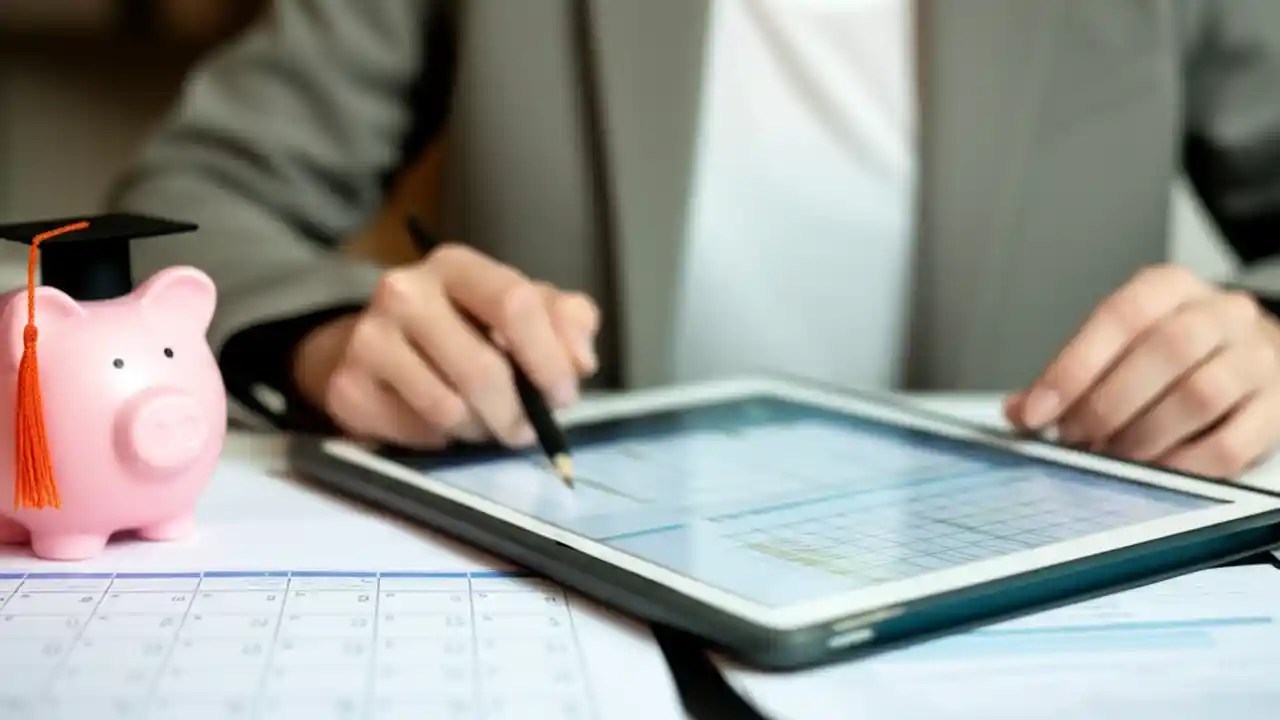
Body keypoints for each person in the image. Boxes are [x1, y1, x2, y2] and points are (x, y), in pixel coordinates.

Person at [109, 0, 1280, 479]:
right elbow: (192, 195)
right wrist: (325, 337)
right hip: (574, 607)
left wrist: (1261, 338)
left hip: (1043, 611)